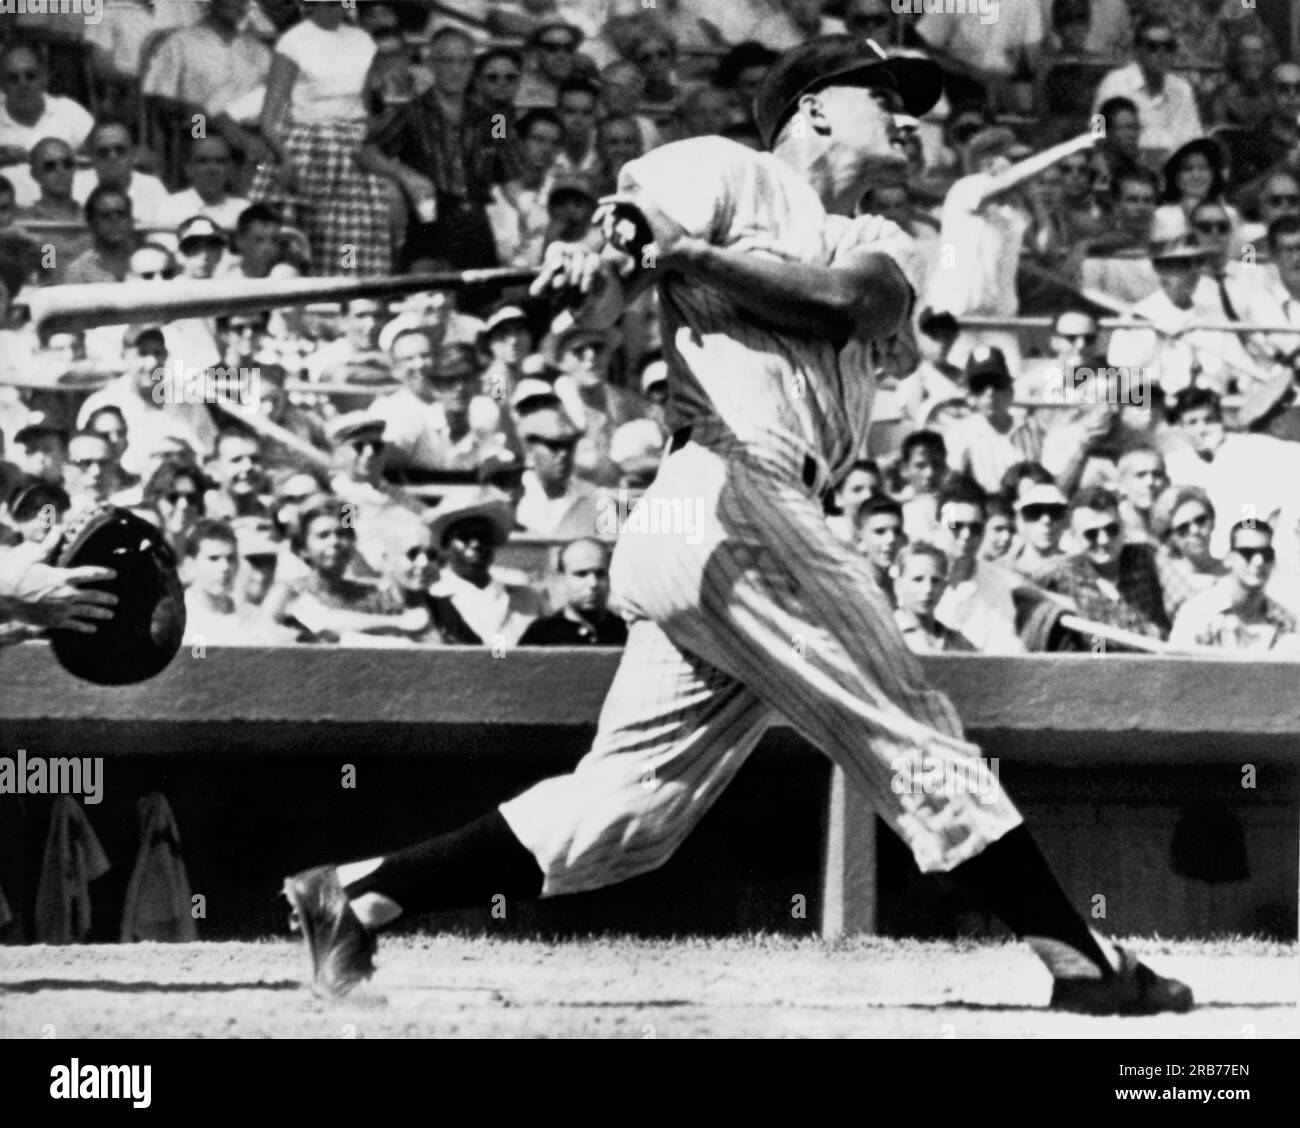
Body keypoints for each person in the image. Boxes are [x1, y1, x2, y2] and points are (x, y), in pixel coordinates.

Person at [280, 37, 1192, 1015]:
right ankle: (1080, 963)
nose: (907, 113)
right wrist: (592, 271)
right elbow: (617, 263)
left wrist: (688, 257)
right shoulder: (724, 166)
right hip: (722, 482)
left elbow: (853, 306)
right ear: (809, 107)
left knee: (631, 812)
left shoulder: (882, 239)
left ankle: (357, 895)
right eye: (880, 92)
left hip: (736, 518)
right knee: (908, 724)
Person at [250, 1, 392, 276]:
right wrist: (285, 157)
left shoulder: (361, 40)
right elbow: (270, 117)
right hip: (307, 149)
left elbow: (364, 109)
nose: (334, 8)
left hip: (352, 151)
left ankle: (347, 300)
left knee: (351, 242)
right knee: (299, 245)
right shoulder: (293, 41)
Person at [1040, 487, 1171, 642]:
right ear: (1075, 536)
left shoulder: (1146, 556)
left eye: (1111, 529)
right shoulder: (1063, 577)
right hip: (1102, 656)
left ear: (1123, 527)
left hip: (1159, 657)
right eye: (1091, 534)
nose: (1103, 540)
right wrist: (1102, 662)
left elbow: (1181, 596)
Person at [1169, 519, 1298, 652]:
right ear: (1229, 559)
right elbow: (1175, 668)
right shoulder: (1198, 614)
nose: (1258, 561)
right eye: (1247, 553)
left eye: (1266, 554)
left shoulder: (1286, 621)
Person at [427, 496, 540, 646]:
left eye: (483, 536)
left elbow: (499, 654)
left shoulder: (521, 597)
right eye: (464, 537)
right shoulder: (434, 598)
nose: (475, 544)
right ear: (446, 545)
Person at [1091, 17, 1203, 164]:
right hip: (1127, 169)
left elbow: (1195, 139)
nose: (1161, 53)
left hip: (1176, 171)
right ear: (1137, 51)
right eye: (1152, 47)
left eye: (1168, 47)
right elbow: (1096, 128)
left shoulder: (1183, 89)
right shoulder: (1114, 83)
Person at [513, 396, 600, 538]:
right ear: (528, 449)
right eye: (553, 445)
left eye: (569, 444)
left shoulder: (592, 497)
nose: (564, 454)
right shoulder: (512, 497)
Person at [518, 537, 627, 646]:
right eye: (581, 574)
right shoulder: (540, 635)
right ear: (562, 579)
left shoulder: (627, 631)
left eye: (600, 574)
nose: (593, 583)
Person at [1149, 485, 1228, 618]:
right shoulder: (1173, 583)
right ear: (1170, 538)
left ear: (1212, 520)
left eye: (1201, 520)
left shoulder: (1232, 568)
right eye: (1183, 528)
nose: (1195, 531)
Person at [892, 541, 976, 654]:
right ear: (899, 586)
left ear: (944, 586)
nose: (928, 589)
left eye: (935, 581)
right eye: (918, 579)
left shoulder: (958, 642)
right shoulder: (887, 636)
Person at [852, 493, 906, 608]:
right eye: (880, 531)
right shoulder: (853, 588)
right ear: (860, 540)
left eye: (897, 531)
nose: (891, 539)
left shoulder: (897, 587)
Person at [1008, 483, 1069, 582]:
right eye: (1035, 512)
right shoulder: (1004, 570)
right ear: (1021, 521)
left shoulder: (1078, 568)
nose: (1046, 520)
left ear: (1066, 520)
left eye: (1055, 512)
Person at [825, 458, 880, 545]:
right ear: (837, 497)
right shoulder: (833, 533)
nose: (869, 496)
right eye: (857, 489)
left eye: (875, 490)